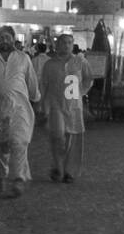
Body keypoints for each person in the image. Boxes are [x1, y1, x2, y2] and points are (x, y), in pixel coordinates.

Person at [0, 25, 41, 197]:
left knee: (19, 141)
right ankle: (1, 176)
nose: (5, 40)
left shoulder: (23, 58)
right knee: (0, 145)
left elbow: (32, 82)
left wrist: (36, 100)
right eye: (2, 37)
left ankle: (19, 178)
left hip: (19, 107)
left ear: (13, 39)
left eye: (8, 37)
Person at [40, 33, 93, 183]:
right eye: (63, 42)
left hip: (74, 106)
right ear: (57, 45)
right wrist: (43, 105)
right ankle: (58, 166)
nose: (66, 45)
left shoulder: (80, 62)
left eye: (69, 42)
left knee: (72, 138)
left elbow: (88, 79)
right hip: (55, 105)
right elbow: (44, 85)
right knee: (58, 136)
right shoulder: (49, 65)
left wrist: (80, 92)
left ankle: (69, 170)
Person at [31, 41, 51, 125]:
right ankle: (46, 114)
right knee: (46, 98)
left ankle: (37, 115)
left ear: (38, 49)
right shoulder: (49, 60)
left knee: (37, 98)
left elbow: (31, 72)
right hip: (47, 81)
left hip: (37, 81)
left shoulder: (34, 59)